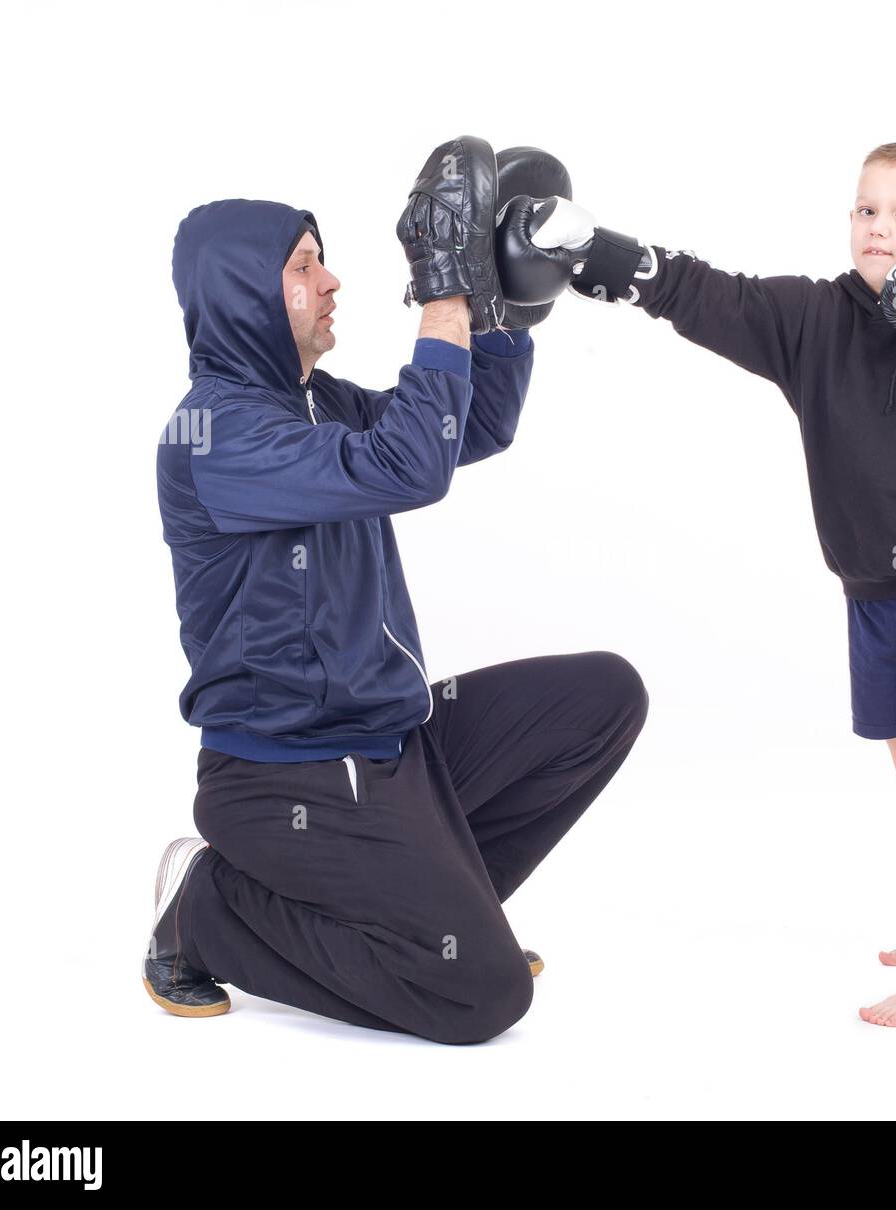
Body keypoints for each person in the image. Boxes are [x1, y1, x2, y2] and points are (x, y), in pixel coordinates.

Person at [500, 139, 896, 1027]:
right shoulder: (814, 320)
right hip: (873, 594)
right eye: (866, 209)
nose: (880, 228)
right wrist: (596, 246)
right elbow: (702, 292)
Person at [146, 136, 648, 1044]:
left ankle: (441, 925)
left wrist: (498, 308)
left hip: (391, 746)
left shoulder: (317, 403)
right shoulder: (211, 436)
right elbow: (411, 466)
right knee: (482, 998)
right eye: (305, 267)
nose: (333, 280)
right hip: (283, 773)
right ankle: (206, 909)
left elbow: (472, 429)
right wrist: (441, 291)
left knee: (603, 696)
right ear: (247, 295)